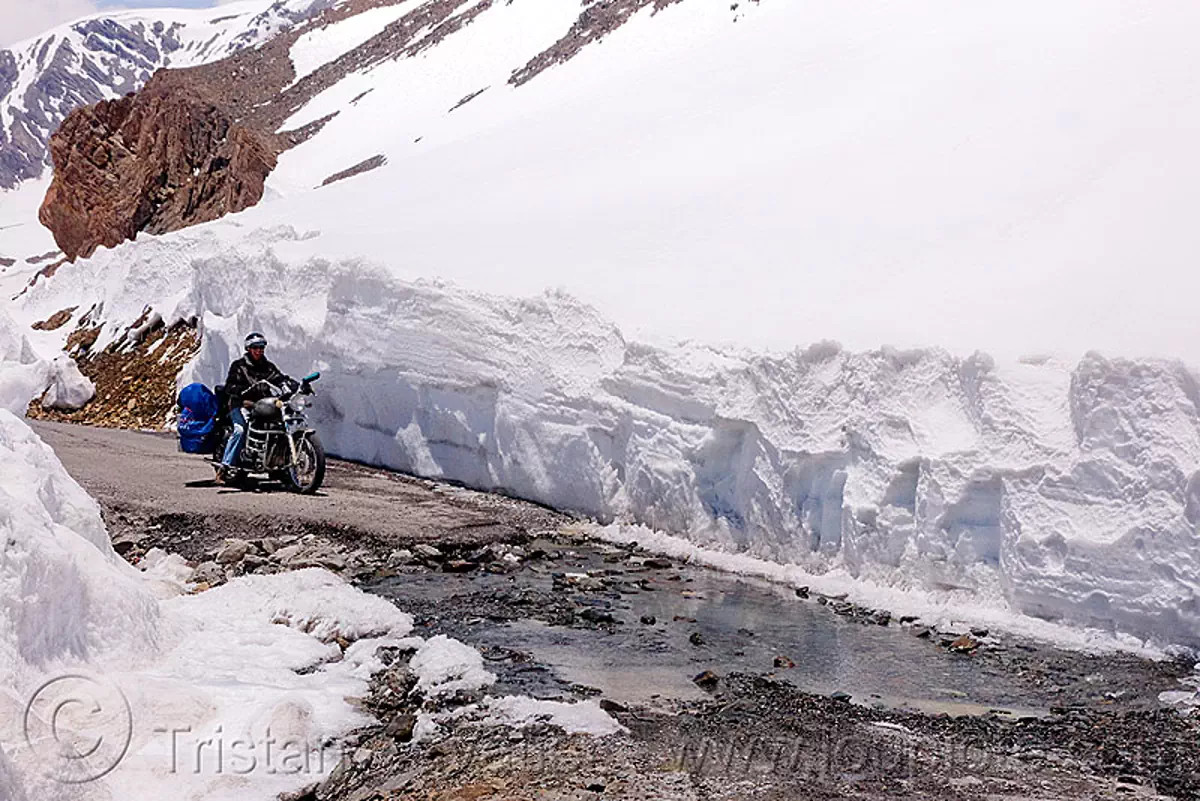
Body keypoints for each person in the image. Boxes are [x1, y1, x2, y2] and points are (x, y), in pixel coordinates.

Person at [215, 332, 289, 483]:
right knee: (240, 430)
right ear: (248, 349)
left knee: (279, 428)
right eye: (255, 347)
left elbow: (280, 378)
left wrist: (291, 386)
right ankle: (224, 468)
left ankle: (279, 465)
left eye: (261, 347)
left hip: (263, 405)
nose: (259, 350)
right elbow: (230, 385)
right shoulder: (239, 366)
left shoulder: (268, 367)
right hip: (241, 404)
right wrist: (239, 390)